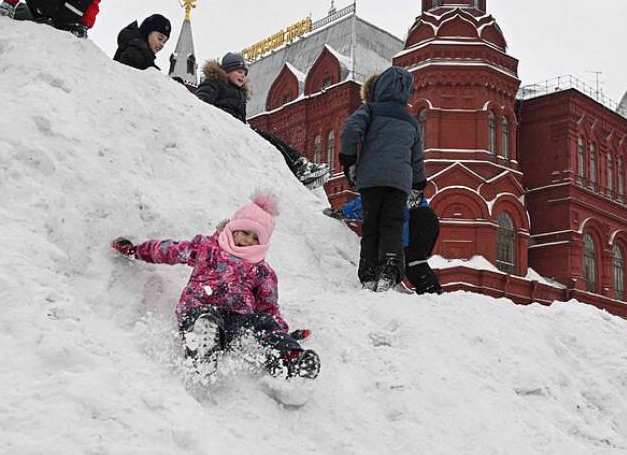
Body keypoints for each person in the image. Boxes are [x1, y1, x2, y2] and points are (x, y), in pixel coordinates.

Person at [110, 192, 318, 379]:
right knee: (206, 318)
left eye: (255, 238)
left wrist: (280, 333)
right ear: (233, 228)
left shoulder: (262, 271)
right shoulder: (207, 247)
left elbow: (268, 308)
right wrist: (137, 250)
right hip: (200, 310)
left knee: (263, 322)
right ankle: (202, 350)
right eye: (244, 233)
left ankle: (291, 361)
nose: (248, 241)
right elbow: (170, 250)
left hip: (237, 321)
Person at [338, 67, 426, 292]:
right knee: (392, 225)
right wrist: (418, 185)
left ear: (379, 87)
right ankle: (389, 271)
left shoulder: (371, 110)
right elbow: (417, 158)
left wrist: (348, 159)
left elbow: (350, 129)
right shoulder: (411, 121)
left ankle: (368, 274)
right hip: (399, 183)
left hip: (371, 179)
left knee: (371, 225)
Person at [195, 52, 327, 186]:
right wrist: (221, 116)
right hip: (225, 126)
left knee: (269, 139)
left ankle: (298, 167)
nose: (243, 75)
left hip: (237, 129)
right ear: (226, 71)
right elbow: (200, 102)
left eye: (245, 73)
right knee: (267, 138)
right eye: (239, 71)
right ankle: (298, 166)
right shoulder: (215, 83)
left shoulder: (240, 94)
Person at [326, 193, 443, 294]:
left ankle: (432, 291)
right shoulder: (402, 178)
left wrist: (344, 212)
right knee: (412, 258)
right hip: (428, 218)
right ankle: (430, 291)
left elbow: (369, 203)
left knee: (409, 258)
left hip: (415, 219)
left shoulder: (384, 185)